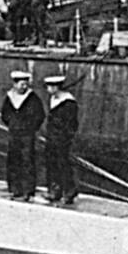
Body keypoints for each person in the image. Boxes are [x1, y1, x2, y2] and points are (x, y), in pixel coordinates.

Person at [0, 69, 45, 201]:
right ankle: (15, 189)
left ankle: (28, 190)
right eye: (21, 84)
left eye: (25, 84)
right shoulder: (9, 98)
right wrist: (13, 125)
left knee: (27, 161)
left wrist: (30, 128)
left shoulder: (33, 99)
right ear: (15, 84)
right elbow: (5, 114)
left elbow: (39, 115)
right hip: (14, 134)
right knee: (14, 160)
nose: (24, 87)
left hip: (27, 135)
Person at [44, 75, 79, 205]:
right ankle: (55, 190)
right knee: (52, 163)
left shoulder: (68, 102)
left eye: (50, 86)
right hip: (52, 137)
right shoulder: (54, 99)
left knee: (63, 164)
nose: (48, 89)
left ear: (56, 87)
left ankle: (69, 191)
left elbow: (71, 123)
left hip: (62, 138)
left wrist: (66, 137)